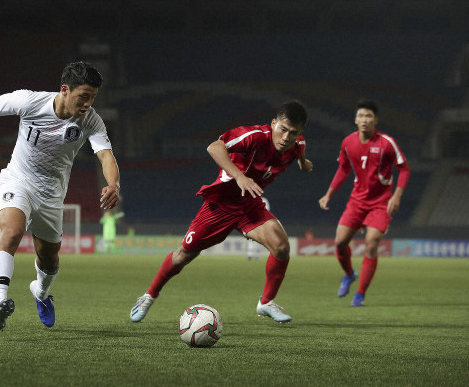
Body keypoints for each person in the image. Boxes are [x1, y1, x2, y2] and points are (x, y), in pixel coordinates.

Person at [0, 61, 121, 331]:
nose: (88, 103)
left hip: (52, 194)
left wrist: (113, 184)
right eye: (83, 96)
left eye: (93, 98)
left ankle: (40, 293)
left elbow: (105, 155)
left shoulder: (91, 120)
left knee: (49, 259)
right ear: (65, 90)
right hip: (19, 179)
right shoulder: (29, 101)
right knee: (12, 231)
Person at [130, 101, 313, 324]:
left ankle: (266, 303)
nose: (286, 137)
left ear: (300, 133)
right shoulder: (254, 136)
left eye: (293, 133)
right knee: (183, 255)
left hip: (249, 205)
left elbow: (300, 153)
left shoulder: (297, 145)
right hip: (221, 204)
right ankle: (148, 296)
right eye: (282, 129)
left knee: (282, 247)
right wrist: (239, 176)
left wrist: (304, 164)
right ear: (274, 123)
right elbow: (214, 147)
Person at [318, 100, 409, 307]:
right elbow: (343, 169)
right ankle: (349, 274)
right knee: (340, 242)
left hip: (381, 203)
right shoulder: (348, 142)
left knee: (371, 244)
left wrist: (397, 196)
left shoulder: (386, 142)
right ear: (355, 119)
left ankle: (359, 295)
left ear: (375, 120)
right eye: (361, 115)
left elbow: (404, 168)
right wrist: (329, 194)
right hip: (357, 201)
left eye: (369, 116)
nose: (364, 119)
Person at [246, 196, 270, 260]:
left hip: (261, 222)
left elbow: (267, 210)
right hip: (252, 221)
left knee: (260, 239)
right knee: (251, 239)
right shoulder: (251, 199)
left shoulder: (264, 199)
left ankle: (257, 255)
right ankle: (250, 254)